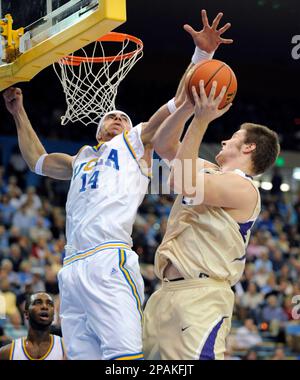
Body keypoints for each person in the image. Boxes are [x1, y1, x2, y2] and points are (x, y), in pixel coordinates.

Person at [3, 9, 233, 360]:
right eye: (111, 116)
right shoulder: (80, 158)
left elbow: (174, 105)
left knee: (124, 358)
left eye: (123, 118)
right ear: (97, 129)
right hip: (72, 267)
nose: (116, 118)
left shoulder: (133, 146)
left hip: (110, 259)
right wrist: (18, 111)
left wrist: (202, 56)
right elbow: (37, 160)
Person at [143, 78, 280, 359]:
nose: (224, 139)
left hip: (201, 297)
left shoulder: (245, 188)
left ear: (249, 147)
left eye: (232, 137)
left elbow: (183, 182)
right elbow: (163, 144)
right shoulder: (209, 170)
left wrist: (201, 121)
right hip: (166, 292)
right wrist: (188, 108)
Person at [0, 292, 65, 360]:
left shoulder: (66, 348)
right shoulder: (7, 352)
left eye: (49, 304)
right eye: (38, 303)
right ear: (26, 314)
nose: (45, 307)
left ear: (53, 315)